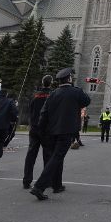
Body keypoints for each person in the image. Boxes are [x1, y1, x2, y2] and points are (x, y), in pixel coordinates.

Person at [30, 67, 91, 200]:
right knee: (57, 157)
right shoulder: (76, 92)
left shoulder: (53, 94)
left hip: (51, 132)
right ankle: (39, 186)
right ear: (69, 79)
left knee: (56, 157)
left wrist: (41, 130)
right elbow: (87, 101)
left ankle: (57, 185)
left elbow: (43, 114)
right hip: (66, 131)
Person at [22, 75, 53, 188]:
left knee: (31, 155)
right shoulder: (52, 95)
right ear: (51, 83)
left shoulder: (35, 95)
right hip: (46, 129)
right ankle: (46, 181)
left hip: (34, 128)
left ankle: (26, 180)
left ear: (42, 82)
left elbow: (30, 110)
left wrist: (31, 123)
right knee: (48, 156)